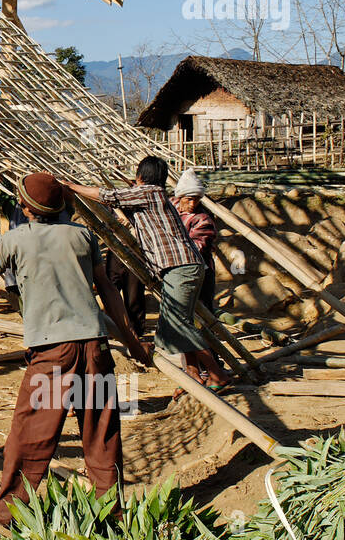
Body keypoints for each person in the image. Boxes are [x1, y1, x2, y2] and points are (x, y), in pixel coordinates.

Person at [0, 172, 152, 526]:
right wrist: (132, 342)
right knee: (101, 432)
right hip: (95, 347)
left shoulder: (11, 241)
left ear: (25, 208)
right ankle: (110, 513)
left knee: (31, 434)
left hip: (53, 354)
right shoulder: (83, 236)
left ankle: (9, 512)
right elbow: (109, 294)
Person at [64, 157, 230, 391]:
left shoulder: (149, 193)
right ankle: (193, 375)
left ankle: (217, 373)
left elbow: (108, 196)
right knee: (177, 324)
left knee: (178, 325)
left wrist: (70, 186)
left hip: (180, 268)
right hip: (180, 268)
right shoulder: (157, 196)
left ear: (141, 177)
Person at [172, 169, 217, 316]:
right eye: (189, 199)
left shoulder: (203, 219)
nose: (192, 203)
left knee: (202, 309)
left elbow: (197, 247)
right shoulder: (171, 207)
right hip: (176, 266)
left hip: (199, 268)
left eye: (196, 199)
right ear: (180, 197)